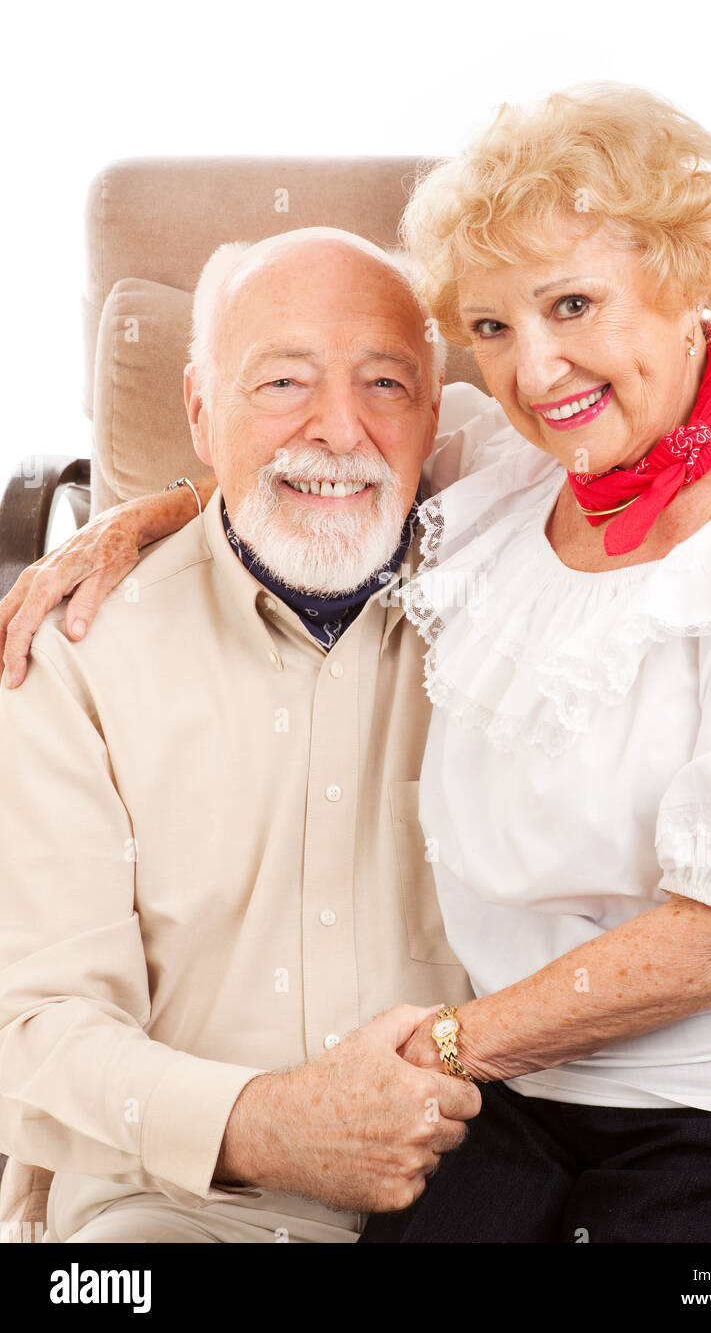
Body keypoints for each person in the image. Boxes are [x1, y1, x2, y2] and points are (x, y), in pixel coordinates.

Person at [355, 82, 711, 1242]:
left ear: (691, 288)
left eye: (572, 304)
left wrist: (439, 1046)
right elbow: (321, 451)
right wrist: (133, 519)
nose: (534, 372)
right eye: (489, 327)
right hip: (523, 1092)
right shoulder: (514, 478)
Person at [0, 228, 485, 1243]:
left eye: (385, 383)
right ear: (196, 407)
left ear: (435, 414)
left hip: (488, 1192)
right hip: (172, 1204)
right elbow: (36, 1023)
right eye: (280, 383)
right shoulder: (72, 656)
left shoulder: (532, 607)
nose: (339, 429)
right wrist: (263, 1125)